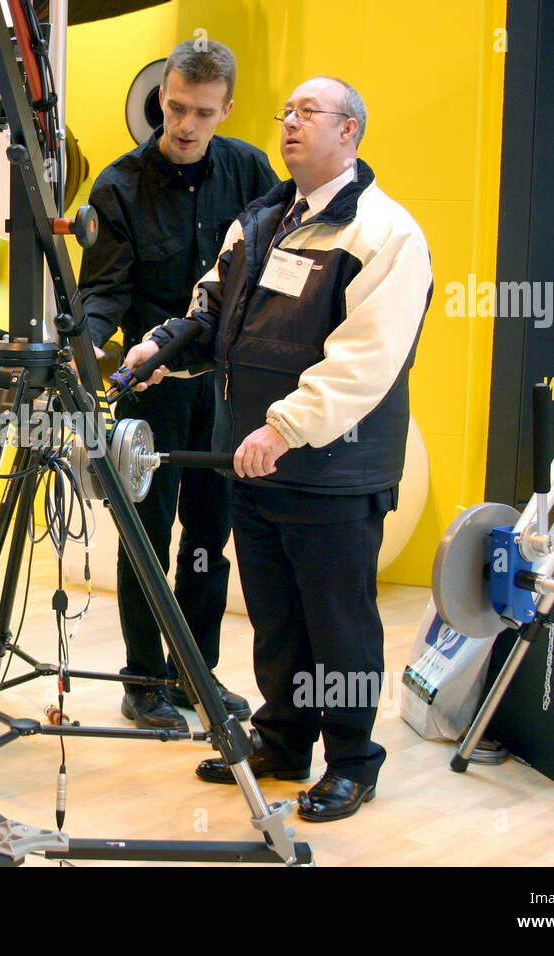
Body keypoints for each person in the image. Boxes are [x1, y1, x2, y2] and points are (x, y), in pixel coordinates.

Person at [123, 76, 432, 821]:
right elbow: (212, 306)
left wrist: (286, 426)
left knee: (340, 622)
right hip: (252, 462)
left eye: (308, 113)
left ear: (350, 130)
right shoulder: (261, 220)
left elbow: (366, 359)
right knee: (276, 617)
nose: (289, 124)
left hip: (330, 468)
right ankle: (285, 738)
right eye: (285, 113)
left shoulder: (385, 234)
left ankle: (354, 760)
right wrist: (164, 348)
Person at [78, 39, 278, 732]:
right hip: (149, 387)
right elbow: (103, 291)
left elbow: (266, 279)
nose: (186, 125)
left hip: (221, 392)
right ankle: (143, 681)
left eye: (202, 112)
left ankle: (196, 671)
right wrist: (85, 345)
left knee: (208, 536)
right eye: (175, 107)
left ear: (226, 108)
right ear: (160, 96)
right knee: (147, 534)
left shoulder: (253, 171)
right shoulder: (117, 186)